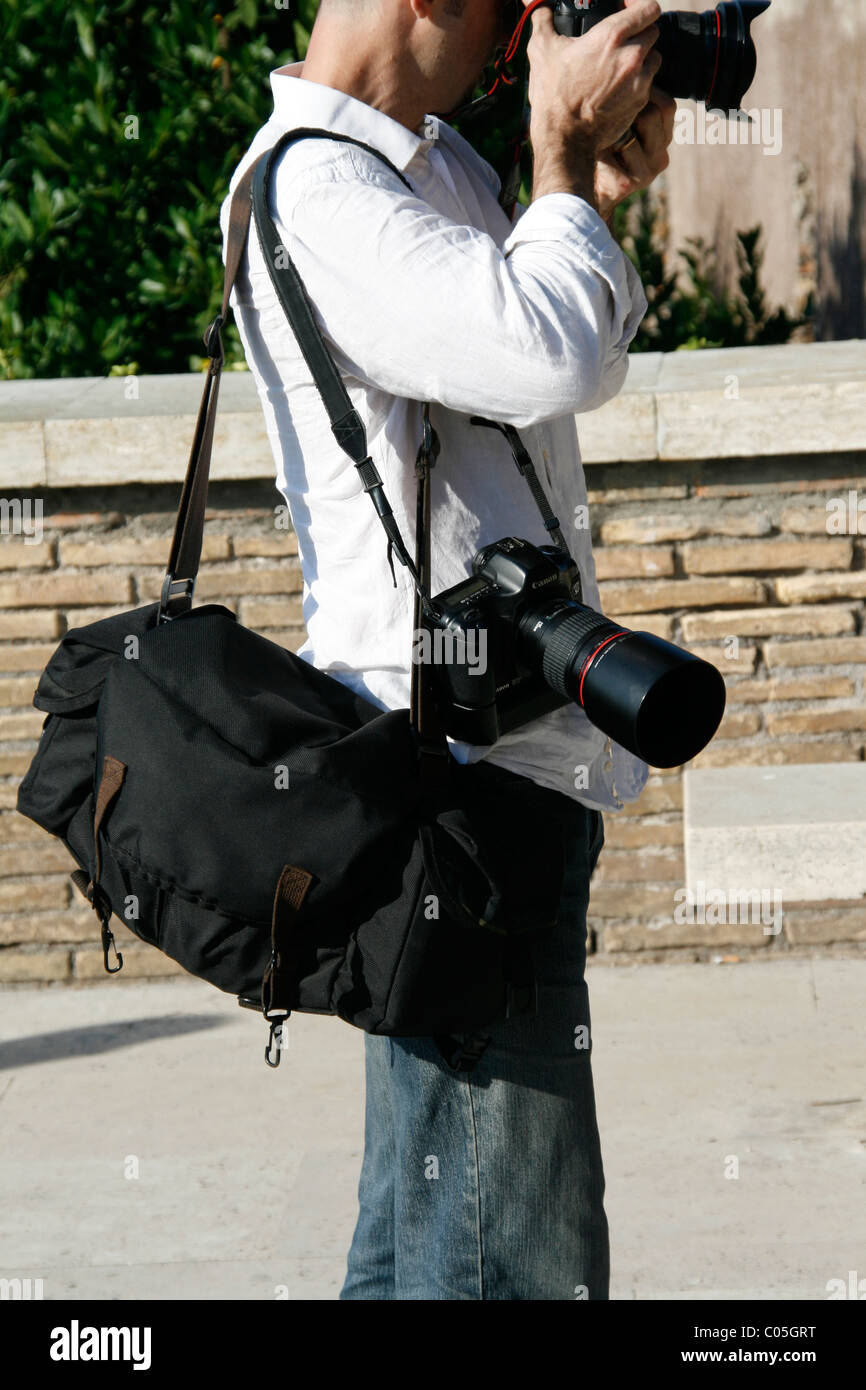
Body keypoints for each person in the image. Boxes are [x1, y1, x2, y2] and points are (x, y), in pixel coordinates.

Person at [220, 0, 675, 1300]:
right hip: (458, 795)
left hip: (485, 766)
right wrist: (552, 153)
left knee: (427, 1224)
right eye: (513, 5)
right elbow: (553, 350)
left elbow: (576, 329)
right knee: (511, 1258)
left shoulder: (424, 168)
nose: (523, 29)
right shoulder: (321, 190)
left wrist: (576, 181)